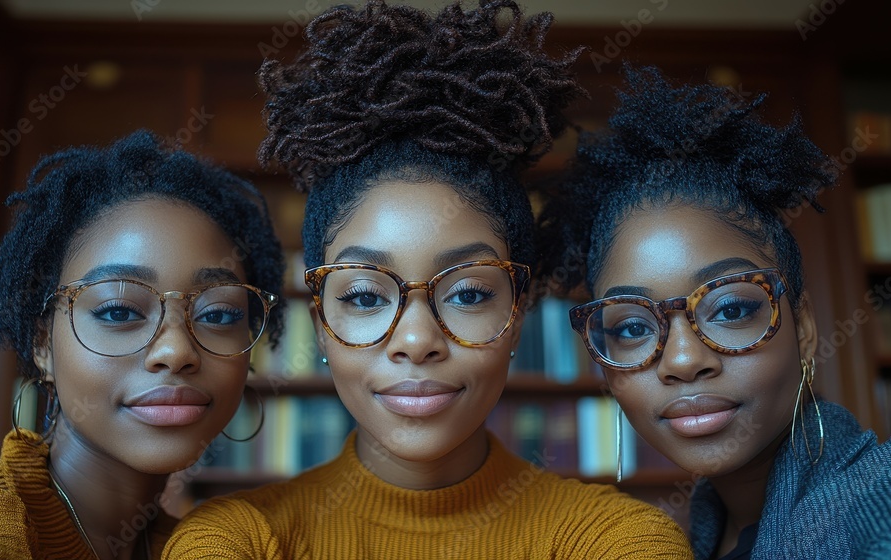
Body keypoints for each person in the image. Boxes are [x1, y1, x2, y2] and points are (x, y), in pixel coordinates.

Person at [163, 2, 693, 559]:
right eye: (365, 295)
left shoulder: (620, 542)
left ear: (517, 314)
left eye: (467, 293)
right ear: (320, 323)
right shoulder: (233, 540)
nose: (416, 342)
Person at [536, 66, 891, 559]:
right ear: (606, 369)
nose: (682, 360)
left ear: (802, 327)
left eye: (731, 308)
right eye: (632, 327)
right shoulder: (700, 534)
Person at [0, 130, 285, 559]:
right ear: (42, 345)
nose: (176, 352)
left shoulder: (202, 544)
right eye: (118, 311)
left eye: (218, 315)